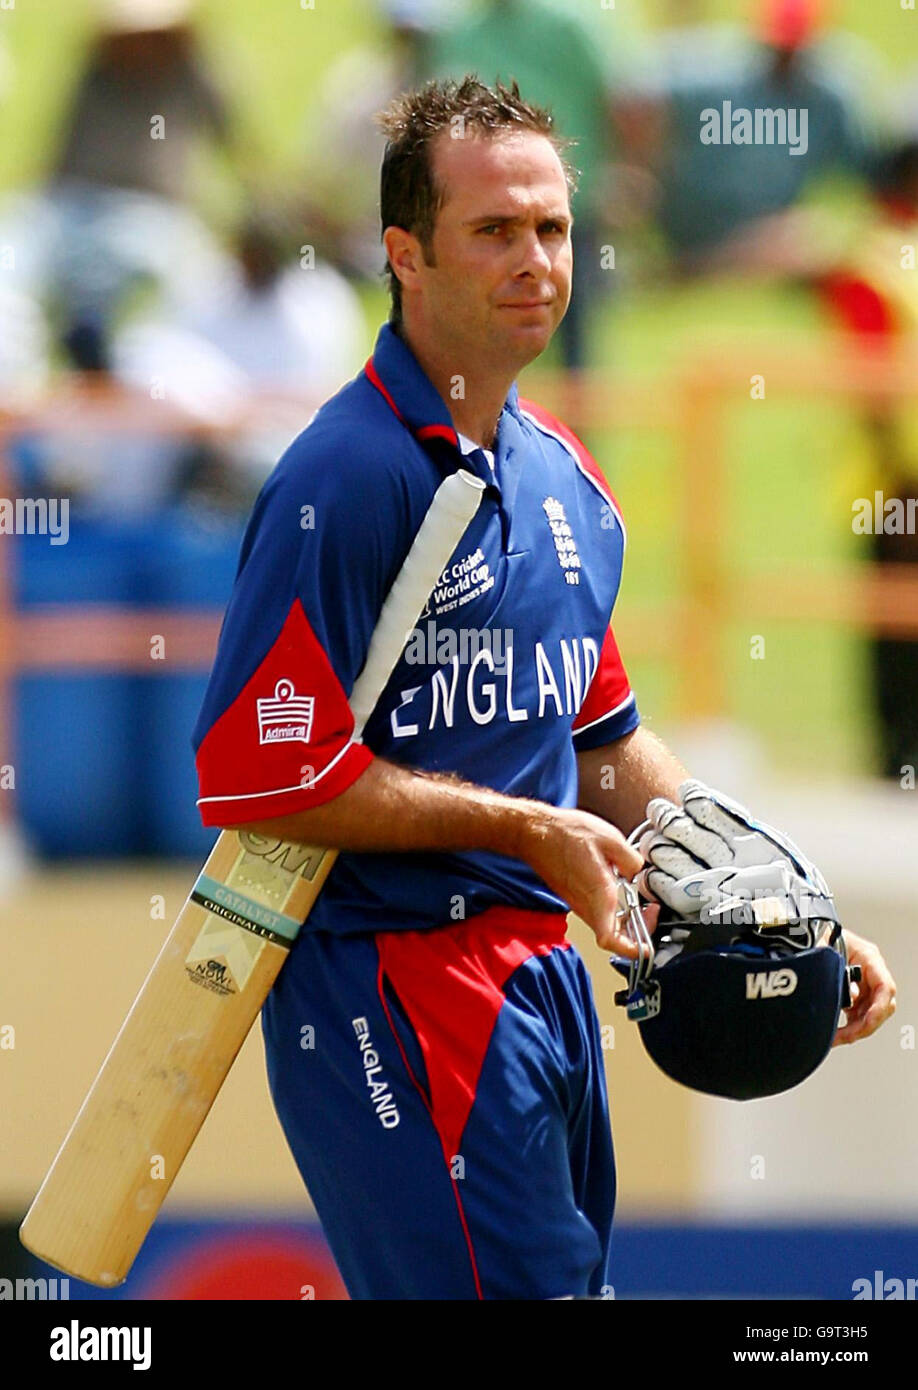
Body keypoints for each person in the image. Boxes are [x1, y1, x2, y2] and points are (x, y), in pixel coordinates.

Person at [192, 77, 894, 1300]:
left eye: (554, 229)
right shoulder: (347, 476)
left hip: (549, 986)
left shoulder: (569, 478)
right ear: (404, 255)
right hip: (392, 984)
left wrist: (784, 902)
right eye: (494, 230)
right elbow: (262, 772)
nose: (536, 260)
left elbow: (607, 747)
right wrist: (526, 829)